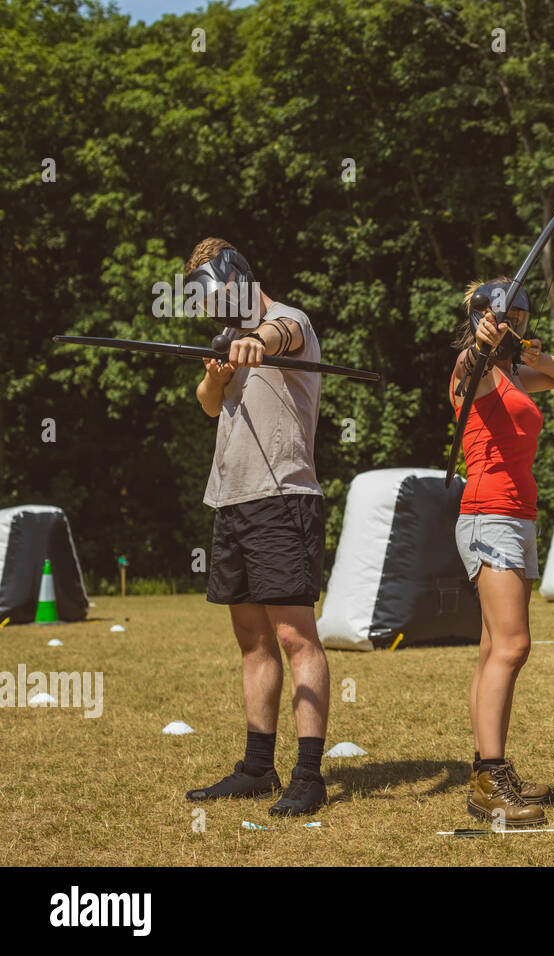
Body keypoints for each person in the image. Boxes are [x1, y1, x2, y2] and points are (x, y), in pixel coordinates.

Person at [184, 238, 330, 817]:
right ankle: (256, 767)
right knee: (253, 642)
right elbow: (207, 403)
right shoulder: (227, 341)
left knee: (296, 637)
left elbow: (280, 338)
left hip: (282, 498)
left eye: (220, 297)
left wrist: (252, 343)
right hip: (231, 499)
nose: (217, 312)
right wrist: (217, 376)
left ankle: (310, 775)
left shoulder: (285, 321)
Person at [449, 278, 554, 827]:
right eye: (511, 319)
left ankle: (489, 769)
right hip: (489, 515)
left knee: (492, 650)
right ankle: (489, 782)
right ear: (484, 318)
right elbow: (469, 368)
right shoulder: (472, 366)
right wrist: (482, 343)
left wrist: (524, 348)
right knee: (513, 646)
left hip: (517, 517)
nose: (518, 326)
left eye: (524, 319)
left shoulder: (514, 372)